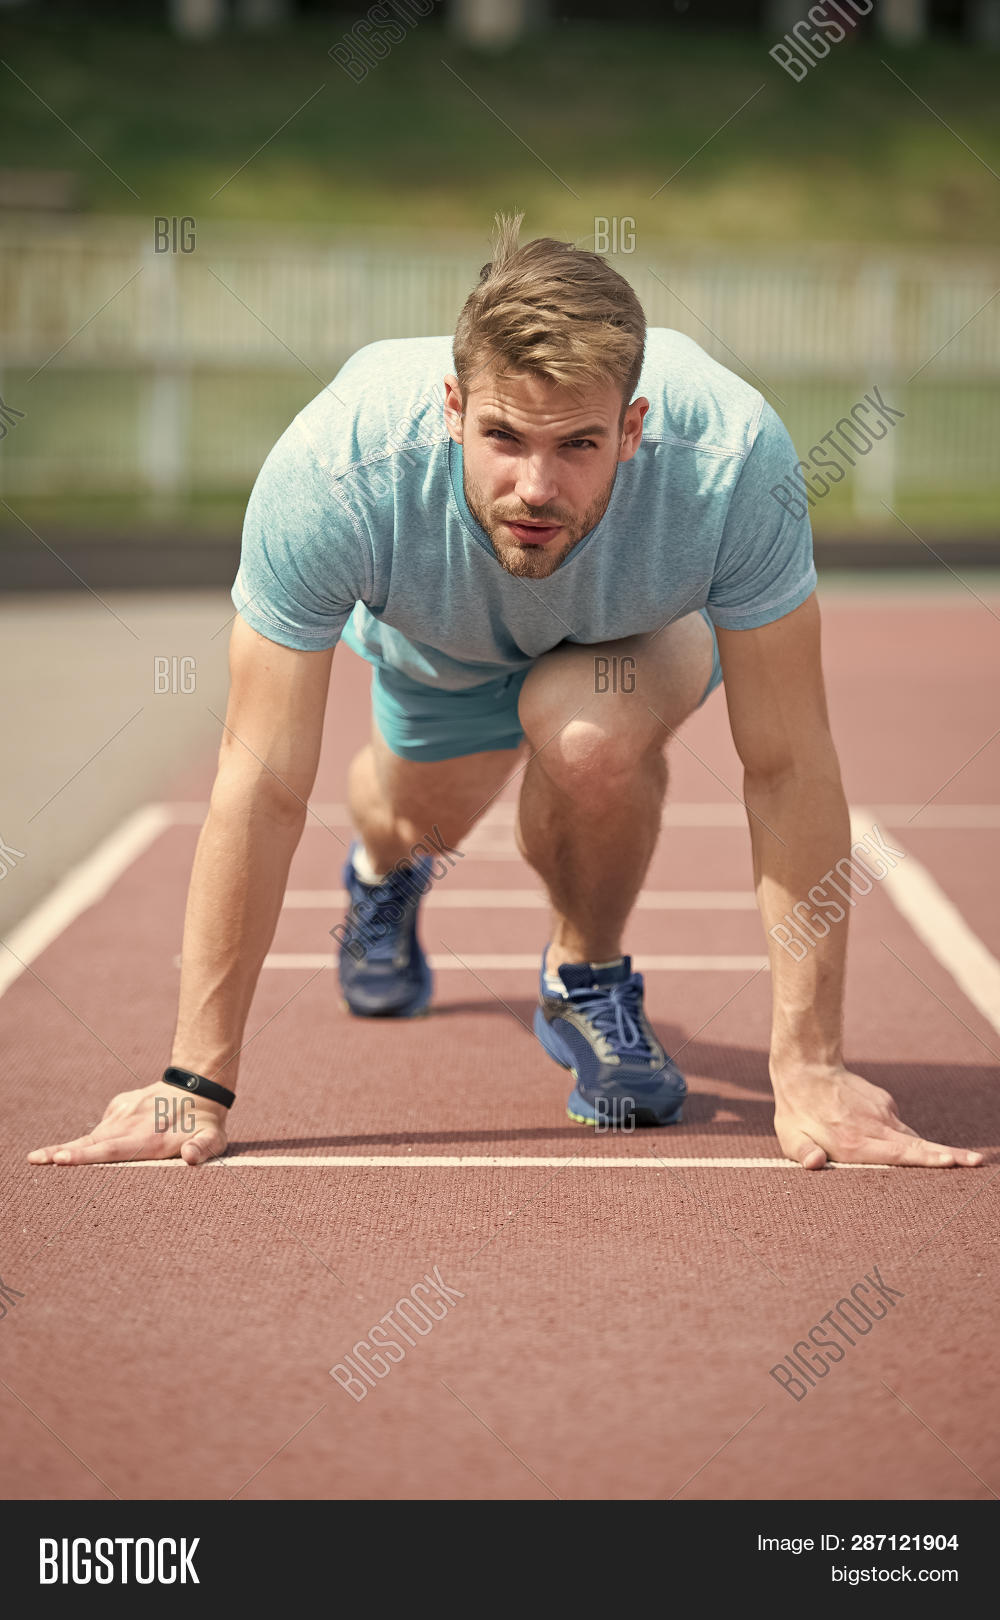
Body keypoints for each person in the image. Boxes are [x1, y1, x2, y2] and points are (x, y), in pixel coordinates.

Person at [28, 215, 982, 1172]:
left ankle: (587, 977)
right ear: (451, 406)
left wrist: (811, 1067)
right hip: (440, 646)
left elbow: (789, 762)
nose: (536, 486)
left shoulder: (733, 466)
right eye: (503, 437)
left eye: (577, 444)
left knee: (587, 739)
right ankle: (380, 876)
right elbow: (262, 781)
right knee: (413, 819)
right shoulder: (335, 471)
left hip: (631, 638)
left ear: (635, 427)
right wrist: (194, 1082)